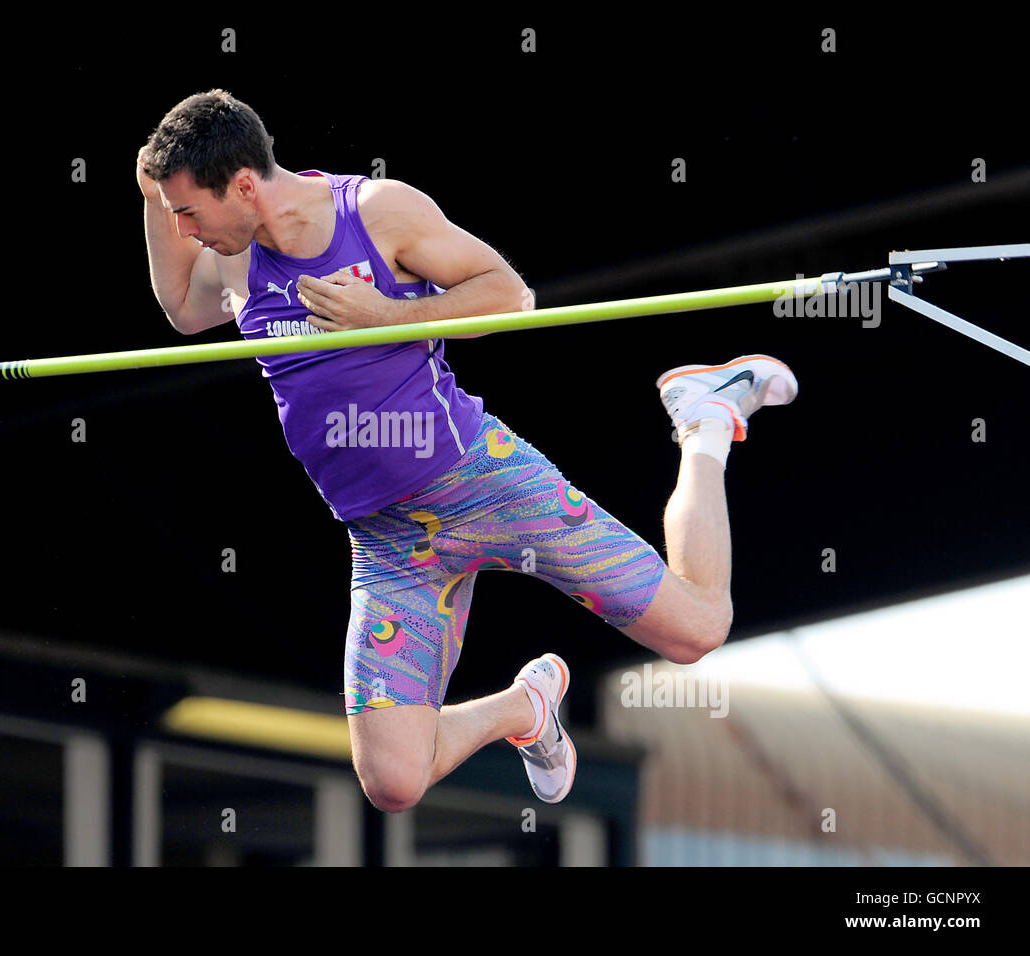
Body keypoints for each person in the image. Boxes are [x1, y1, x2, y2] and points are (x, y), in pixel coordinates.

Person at [136, 90, 797, 812]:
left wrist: (385, 316)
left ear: (242, 184)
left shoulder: (378, 212)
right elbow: (181, 308)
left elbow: (511, 298)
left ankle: (702, 424)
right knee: (393, 782)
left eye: (187, 211)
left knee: (698, 629)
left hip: (482, 483)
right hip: (388, 542)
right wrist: (149, 193)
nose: (184, 230)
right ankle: (525, 710)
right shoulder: (235, 263)